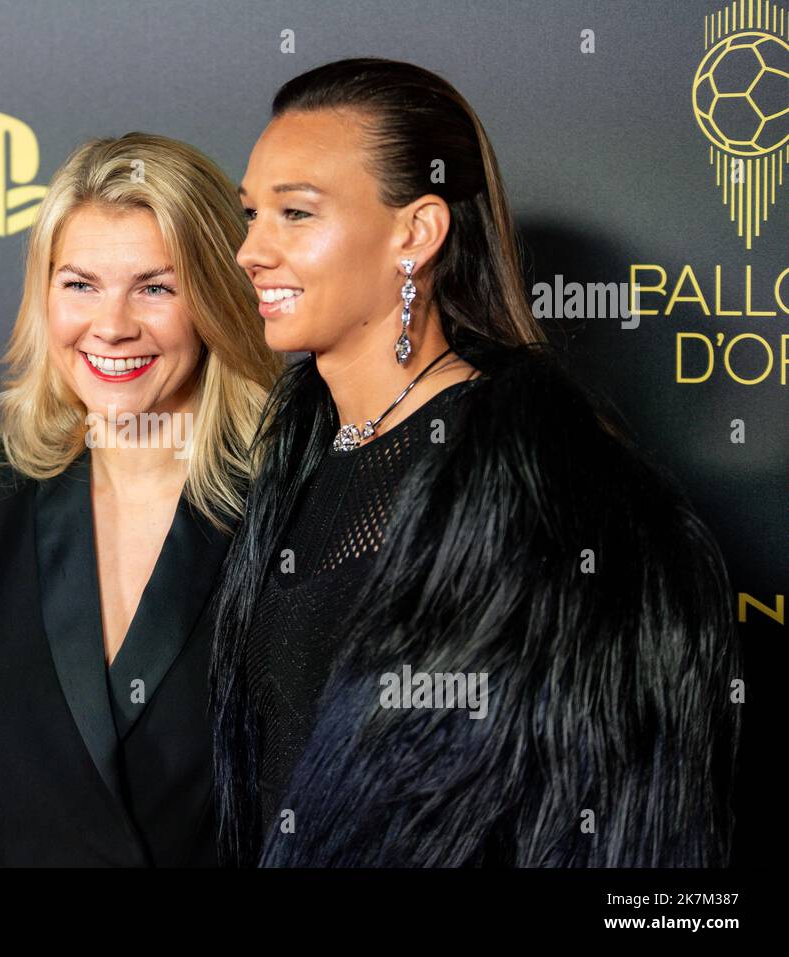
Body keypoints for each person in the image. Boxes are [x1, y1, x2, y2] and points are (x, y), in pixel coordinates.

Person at [213, 57, 742, 867]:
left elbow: (603, 808)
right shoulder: (301, 460)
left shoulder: (534, 485)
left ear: (416, 234)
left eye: (294, 213)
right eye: (252, 213)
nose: (251, 250)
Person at [0, 132, 280, 866]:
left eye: (155, 287)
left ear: (218, 300)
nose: (112, 324)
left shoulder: (288, 504)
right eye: (81, 284)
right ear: (44, 296)